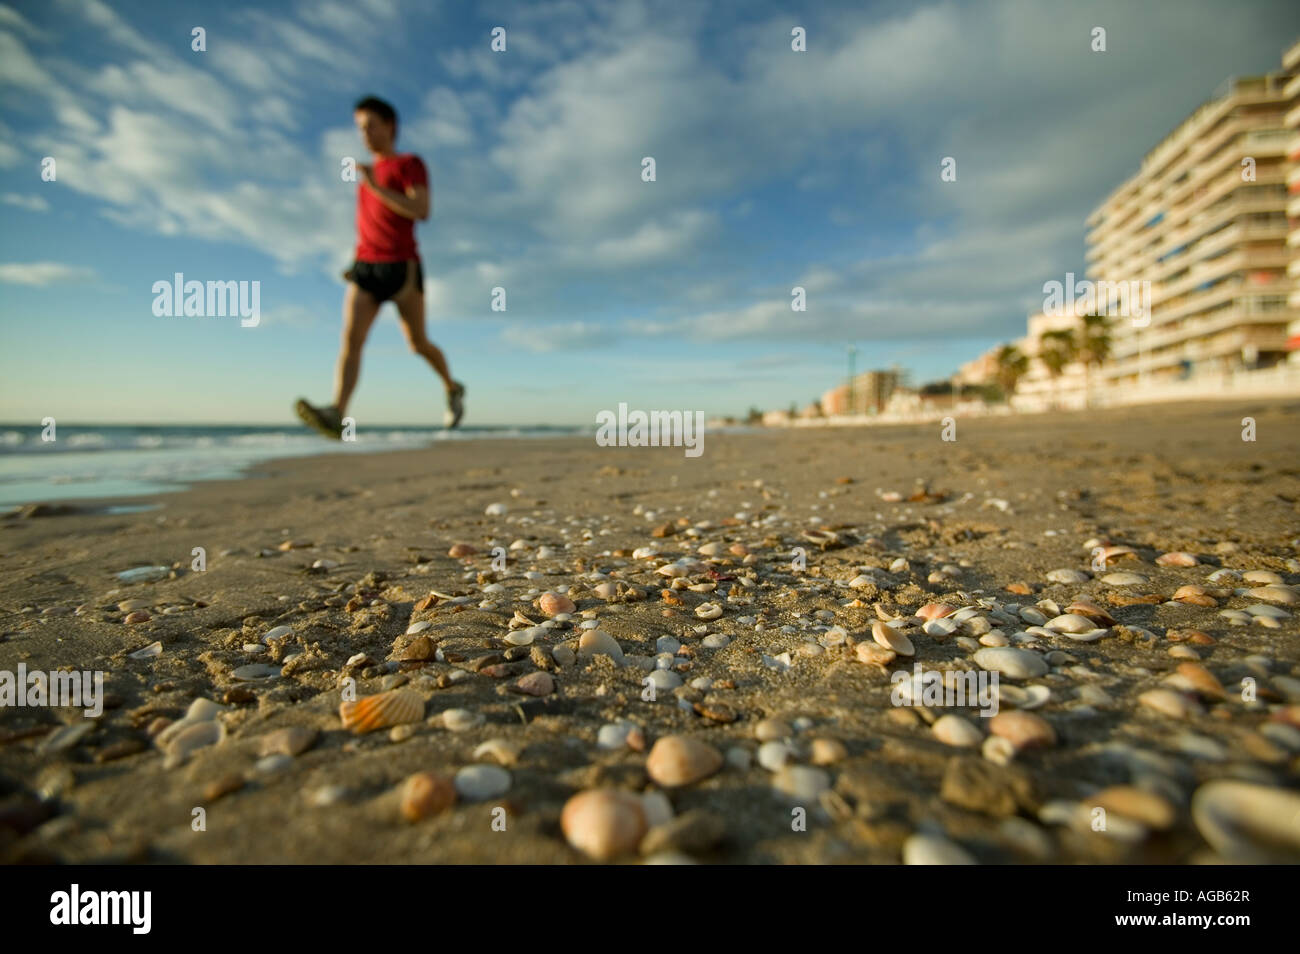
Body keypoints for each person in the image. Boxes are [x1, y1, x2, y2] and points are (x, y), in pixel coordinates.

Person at [296, 95, 464, 438]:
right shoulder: (365, 177)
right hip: (365, 266)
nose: (365, 134)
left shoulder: (408, 164)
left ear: (390, 126)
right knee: (351, 340)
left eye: (371, 125)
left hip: (403, 267)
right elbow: (370, 225)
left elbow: (421, 209)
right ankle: (337, 413)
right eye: (360, 128)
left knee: (417, 344)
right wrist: (354, 261)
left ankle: (451, 386)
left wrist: (374, 185)